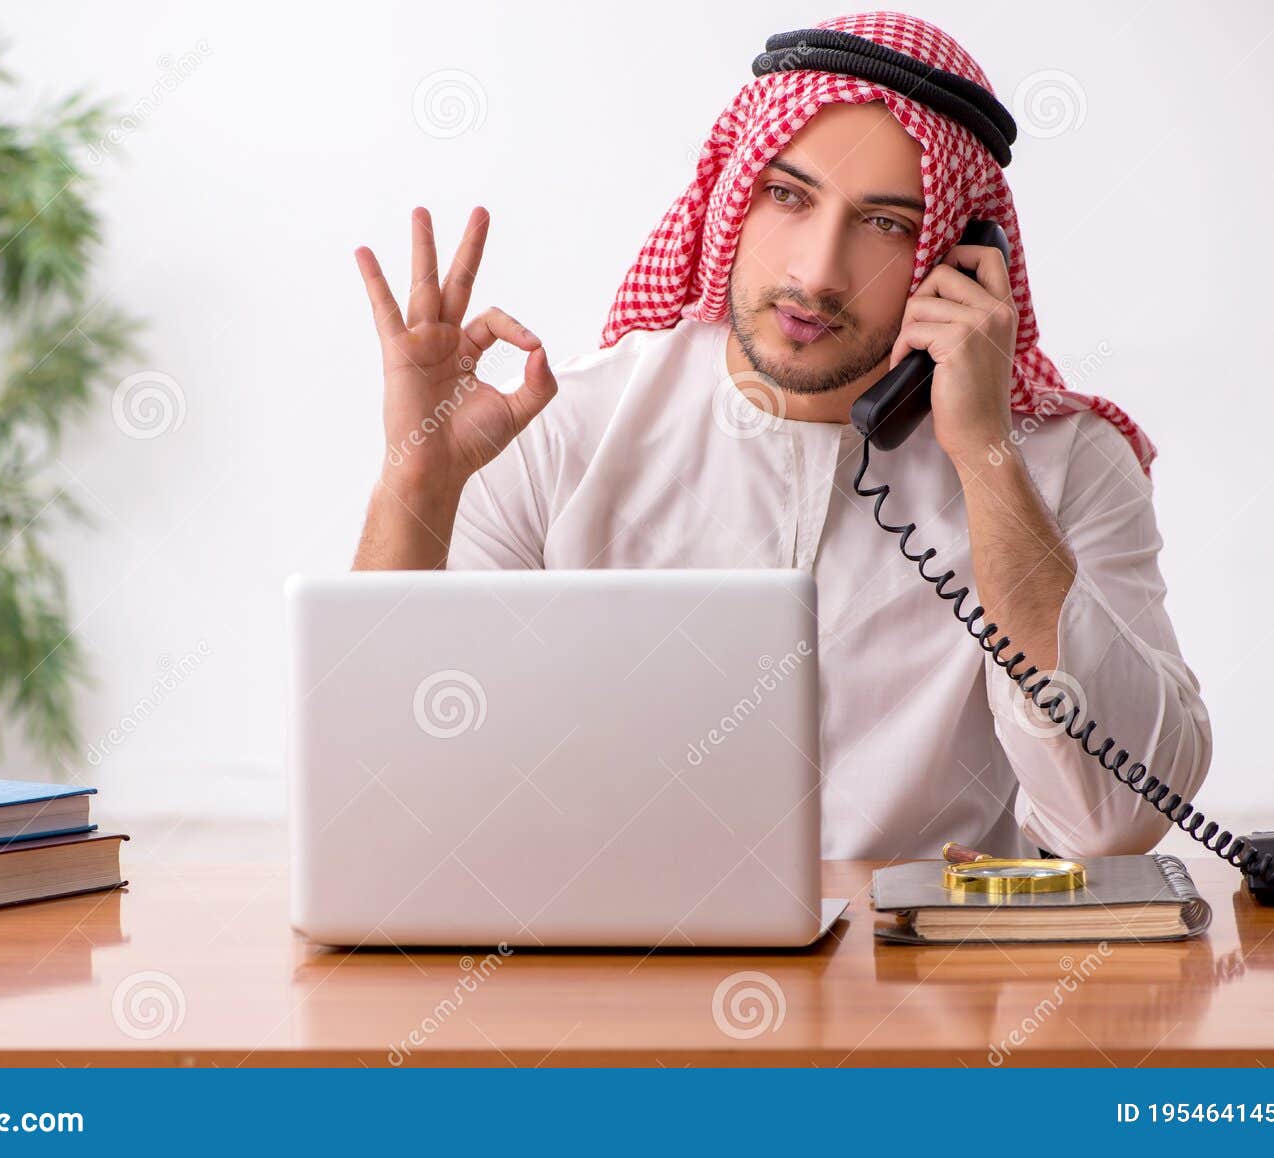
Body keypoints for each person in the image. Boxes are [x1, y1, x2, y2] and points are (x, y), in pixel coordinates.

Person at [350, 11, 1210, 861]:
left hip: (920, 987)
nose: (815, 272)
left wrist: (986, 457)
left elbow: (1114, 821)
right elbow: (381, 792)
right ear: (732, 197)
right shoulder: (561, 425)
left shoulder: (1066, 462)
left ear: (954, 257)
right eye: (787, 197)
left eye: (886, 224)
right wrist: (414, 488)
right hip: (608, 981)